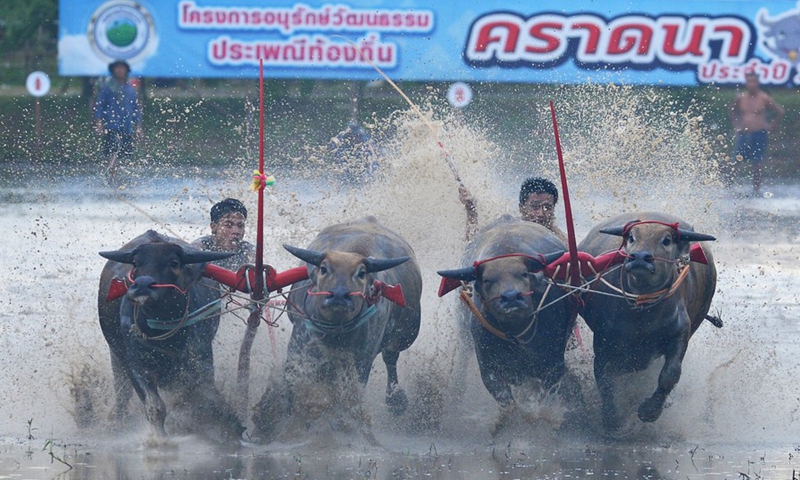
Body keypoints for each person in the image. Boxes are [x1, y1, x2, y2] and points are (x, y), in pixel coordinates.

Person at [460, 177, 567, 244]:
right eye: (534, 206)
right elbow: (471, 244)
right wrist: (471, 211)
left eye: (547, 207)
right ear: (521, 208)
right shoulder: (506, 227)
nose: (541, 213)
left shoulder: (557, 237)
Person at [729, 71, 784, 196]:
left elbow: (780, 111)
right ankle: (729, 187)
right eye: (749, 81)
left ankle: (755, 190)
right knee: (736, 161)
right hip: (743, 133)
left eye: (754, 81)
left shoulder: (764, 98)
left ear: (758, 82)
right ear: (746, 83)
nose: (752, 84)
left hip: (759, 133)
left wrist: (771, 126)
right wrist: (736, 126)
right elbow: (732, 111)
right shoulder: (741, 98)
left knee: (757, 163)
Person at [94, 59, 142, 181]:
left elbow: (135, 108)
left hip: (126, 125)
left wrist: (138, 126)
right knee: (112, 150)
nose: (120, 70)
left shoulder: (130, 88)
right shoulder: (108, 87)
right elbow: (100, 105)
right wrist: (99, 122)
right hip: (112, 124)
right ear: (113, 70)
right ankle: (112, 174)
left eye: (122, 68)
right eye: (117, 68)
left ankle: (119, 175)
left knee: (124, 152)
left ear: (126, 70)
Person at [192, 198, 255, 271]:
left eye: (240, 225)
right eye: (228, 225)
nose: (236, 231)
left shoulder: (249, 253)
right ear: (214, 227)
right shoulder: (200, 249)